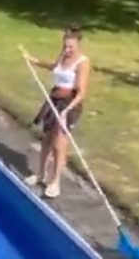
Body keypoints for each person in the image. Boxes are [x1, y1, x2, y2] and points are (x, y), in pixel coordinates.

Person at [22, 26, 90, 199]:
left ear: (78, 45)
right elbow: (54, 67)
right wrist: (33, 60)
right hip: (54, 99)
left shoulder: (82, 62)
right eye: (65, 46)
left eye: (70, 48)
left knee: (60, 144)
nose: (67, 51)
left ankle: (55, 182)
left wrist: (66, 111)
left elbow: (81, 92)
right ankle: (40, 175)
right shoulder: (63, 56)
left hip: (69, 104)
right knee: (47, 140)